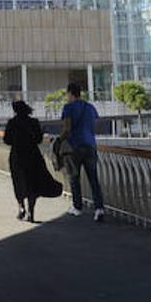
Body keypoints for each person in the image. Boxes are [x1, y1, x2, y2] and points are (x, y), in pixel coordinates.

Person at [3, 101, 62, 221]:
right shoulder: (33, 122)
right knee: (32, 183)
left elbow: (6, 140)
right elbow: (39, 139)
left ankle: (21, 208)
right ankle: (31, 212)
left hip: (17, 156)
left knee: (18, 181)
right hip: (32, 155)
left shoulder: (12, 123)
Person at [60, 81, 106, 222]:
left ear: (70, 93)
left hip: (75, 147)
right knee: (93, 179)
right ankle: (99, 208)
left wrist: (59, 139)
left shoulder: (68, 108)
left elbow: (67, 128)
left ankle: (77, 207)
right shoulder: (90, 107)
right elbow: (95, 125)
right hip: (90, 146)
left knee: (74, 177)